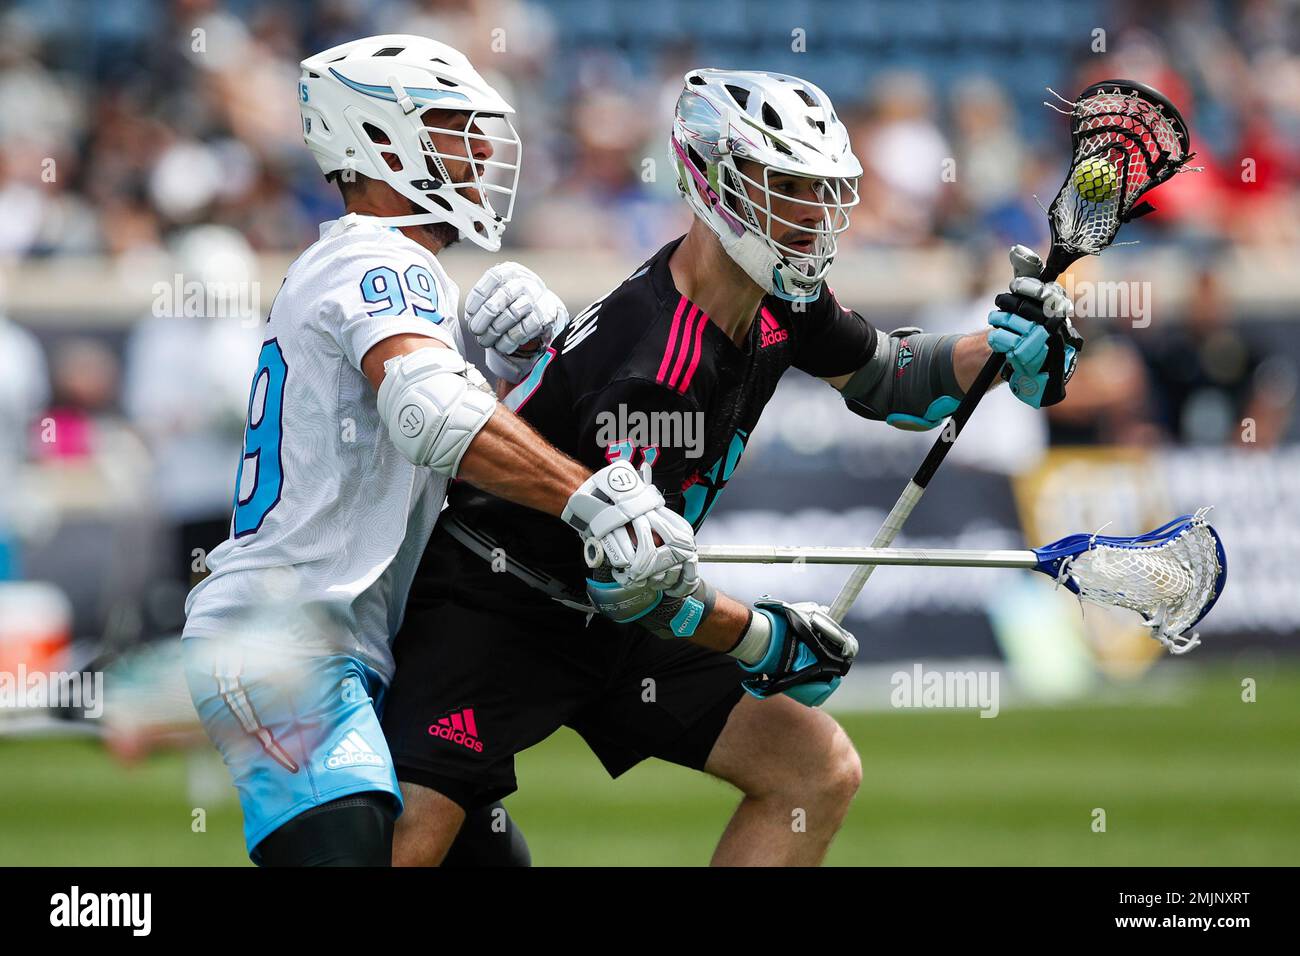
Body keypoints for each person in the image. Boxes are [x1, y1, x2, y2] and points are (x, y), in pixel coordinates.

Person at [380, 68, 1081, 866]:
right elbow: (633, 579)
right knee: (408, 847)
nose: (815, 216)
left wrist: (999, 349)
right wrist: (763, 639)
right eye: (787, 187)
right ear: (713, 183)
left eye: (822, 191)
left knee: (815, 772)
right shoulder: (655, 359)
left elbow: (890, 378)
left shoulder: (778, 293)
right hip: (497, 609)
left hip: (617, 613)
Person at [181, 34, 698, 867]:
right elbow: (433, 415)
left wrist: (530, 364)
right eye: (456, 128)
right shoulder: (379, 257)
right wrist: (592, 499)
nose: (482, 151)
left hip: (350, 644)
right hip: (288, 644)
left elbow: (441, 421)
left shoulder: (376, 268)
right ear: (380, 141)